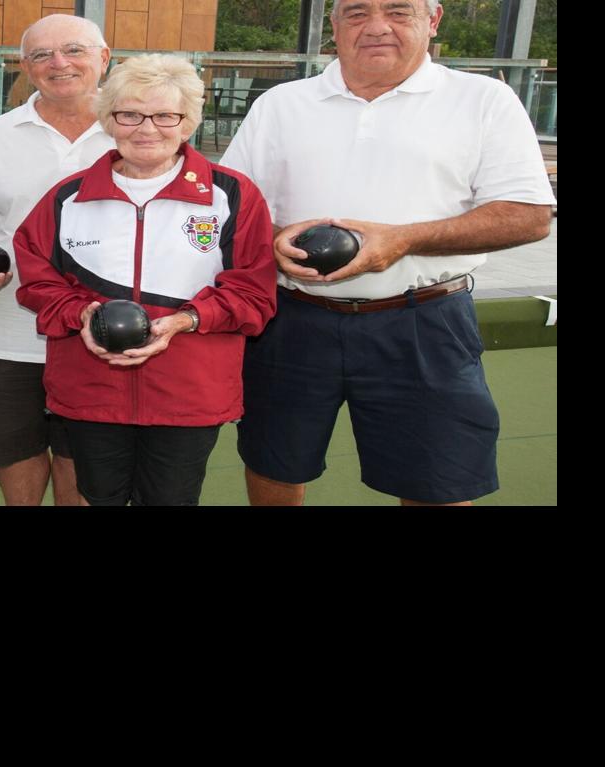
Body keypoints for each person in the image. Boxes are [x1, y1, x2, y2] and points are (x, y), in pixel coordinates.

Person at [219, 0, 556, 506]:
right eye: (356, 13)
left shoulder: (484, 99)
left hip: (425, 320)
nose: (376, 27)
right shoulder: (283, 103)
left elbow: (529, 216)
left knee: (437, 480)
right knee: (272, 461)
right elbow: (230, 206)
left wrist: (402, 239)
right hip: (291, 320)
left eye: (398, 11)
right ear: (333, 26)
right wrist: (273, 237)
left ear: (433, 20)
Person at [12, 54, 276, 506]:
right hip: (92, 384)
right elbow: (37, 281)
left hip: (189, 390)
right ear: (109, 121)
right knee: (98, 496)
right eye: (129, 114)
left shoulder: (231, 195)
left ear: (188, 121)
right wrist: (81, 314)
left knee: (171, 498)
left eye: (165, 115)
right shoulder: (68, 197)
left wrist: (187, 320)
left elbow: (253, 293)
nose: (147, 128)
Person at [0, 13, 114, 506]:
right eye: (41, 55)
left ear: (104, 58)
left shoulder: (135, 134)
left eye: (74, 50)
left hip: (100, 331)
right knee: (12, 449)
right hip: (5, 332)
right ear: (25, 66)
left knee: (80, 454)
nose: (58, 63)